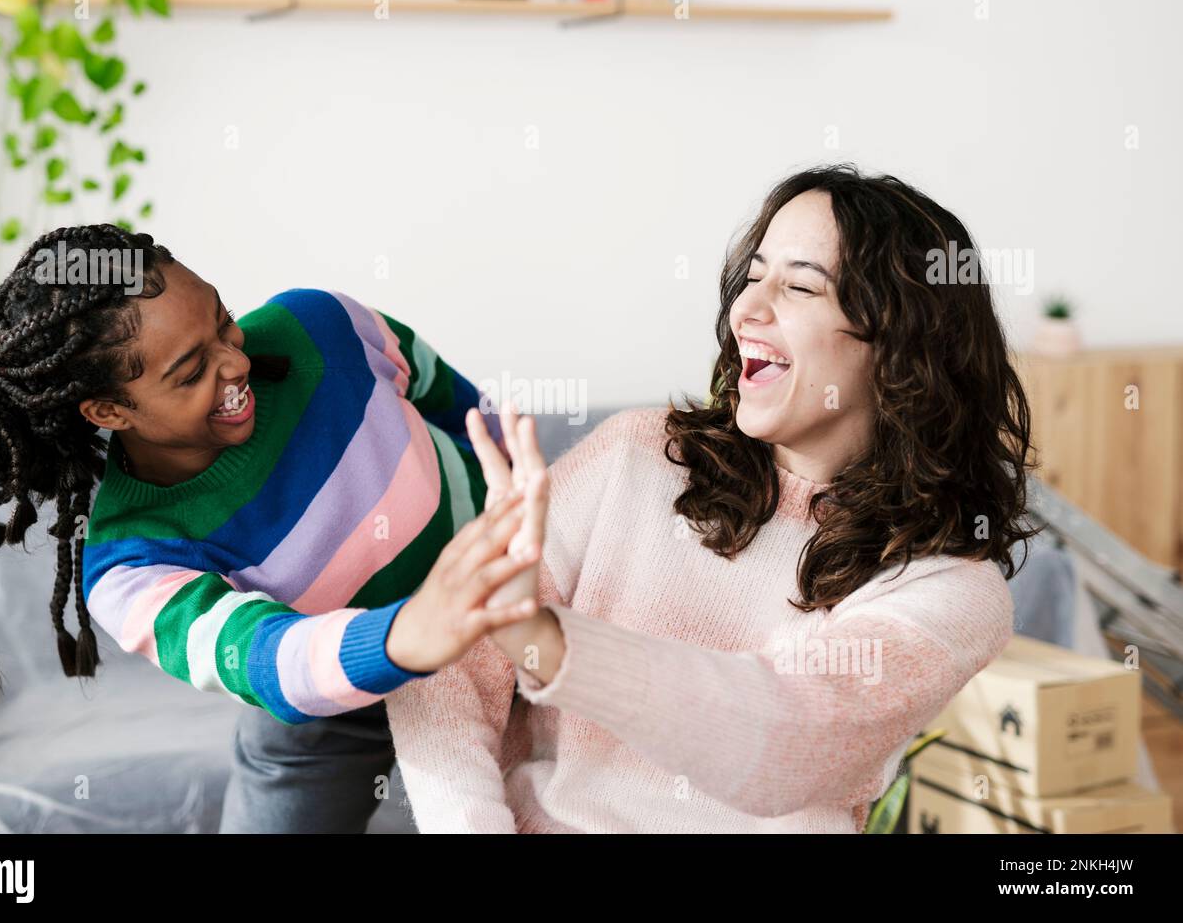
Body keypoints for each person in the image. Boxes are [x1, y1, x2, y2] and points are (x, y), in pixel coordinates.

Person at [385, 165, 1039, 833]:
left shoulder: (948, 590)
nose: (748, 311)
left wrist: (544, 643)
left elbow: (785, 737)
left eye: (801, 286)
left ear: (902, 347)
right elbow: (448, 671)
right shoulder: (635, 458)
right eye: (753, 276)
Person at [0, 223, 544, 833]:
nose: (234, 364)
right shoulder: (128, 564)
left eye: (223, 323)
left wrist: (526, 529)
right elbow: (264, 659)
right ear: (110, 410)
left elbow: (465, 412)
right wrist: (408, 633)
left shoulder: (321, 327)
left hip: (510, 606)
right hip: (330, 705)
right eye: (190, 373)